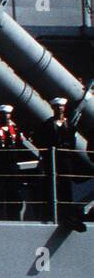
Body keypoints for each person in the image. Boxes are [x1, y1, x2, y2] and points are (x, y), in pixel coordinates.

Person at [34, 96, 80, 226]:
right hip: (52, 160)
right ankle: (52, 213)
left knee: (66, 186)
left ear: (64, 108)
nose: (59, 109)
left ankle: (68, 214)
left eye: (61, 106)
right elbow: (41, 141)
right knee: (52, 185)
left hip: (65, 159)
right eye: (57, 107)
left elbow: (73, 143)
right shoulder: (47, 125)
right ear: (53, 108)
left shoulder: (70, 126)